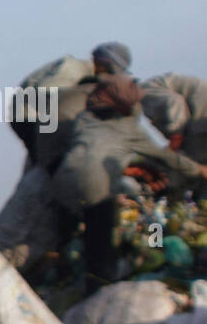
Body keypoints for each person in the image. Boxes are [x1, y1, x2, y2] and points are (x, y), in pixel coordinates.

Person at [50, 74, 207, 293]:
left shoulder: (85, 118)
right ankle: (98, 291)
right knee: (102, 245)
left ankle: (61, 278)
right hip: (96, 186)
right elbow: (167, 157)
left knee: (68, 240)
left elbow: (102, 150)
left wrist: (141, 169)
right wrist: (199, 170)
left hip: (61, 183)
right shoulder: (130, 129)